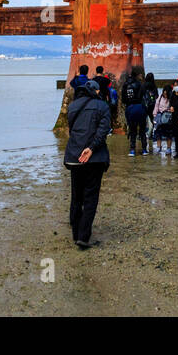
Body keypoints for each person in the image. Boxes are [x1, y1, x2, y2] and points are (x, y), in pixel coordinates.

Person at [64, 76, 112, 248]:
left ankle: (75, 232)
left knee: (77, 196)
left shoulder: (72, 106)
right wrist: (91, 148)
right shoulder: (102, 106)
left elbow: (73, 130)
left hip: (75, 157)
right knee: (90, 197)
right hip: (94, 158)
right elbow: (103, 130)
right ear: (95, 91)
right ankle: (83, 237)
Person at [121, 66, 149, 156]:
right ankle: (144, 149)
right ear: (138, 75)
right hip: (140, 108)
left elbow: (123, 99)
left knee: (132, 129)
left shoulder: (125, 85)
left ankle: (132, 150)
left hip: (130, 108)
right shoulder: (140, 84)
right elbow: (144, 97)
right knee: (142, 130)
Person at [152, 83, 174, 156]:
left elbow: (174, 109)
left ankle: (168, 148)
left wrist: (170, 110)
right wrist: (154, 116)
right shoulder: (159, 97)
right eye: (164, 93)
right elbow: (156, 106)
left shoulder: (172, 99)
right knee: (158, 133)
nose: (165, 94)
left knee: (169, 134)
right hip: (159, 117)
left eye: (166, 93)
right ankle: (158, 147)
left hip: (168, 118)